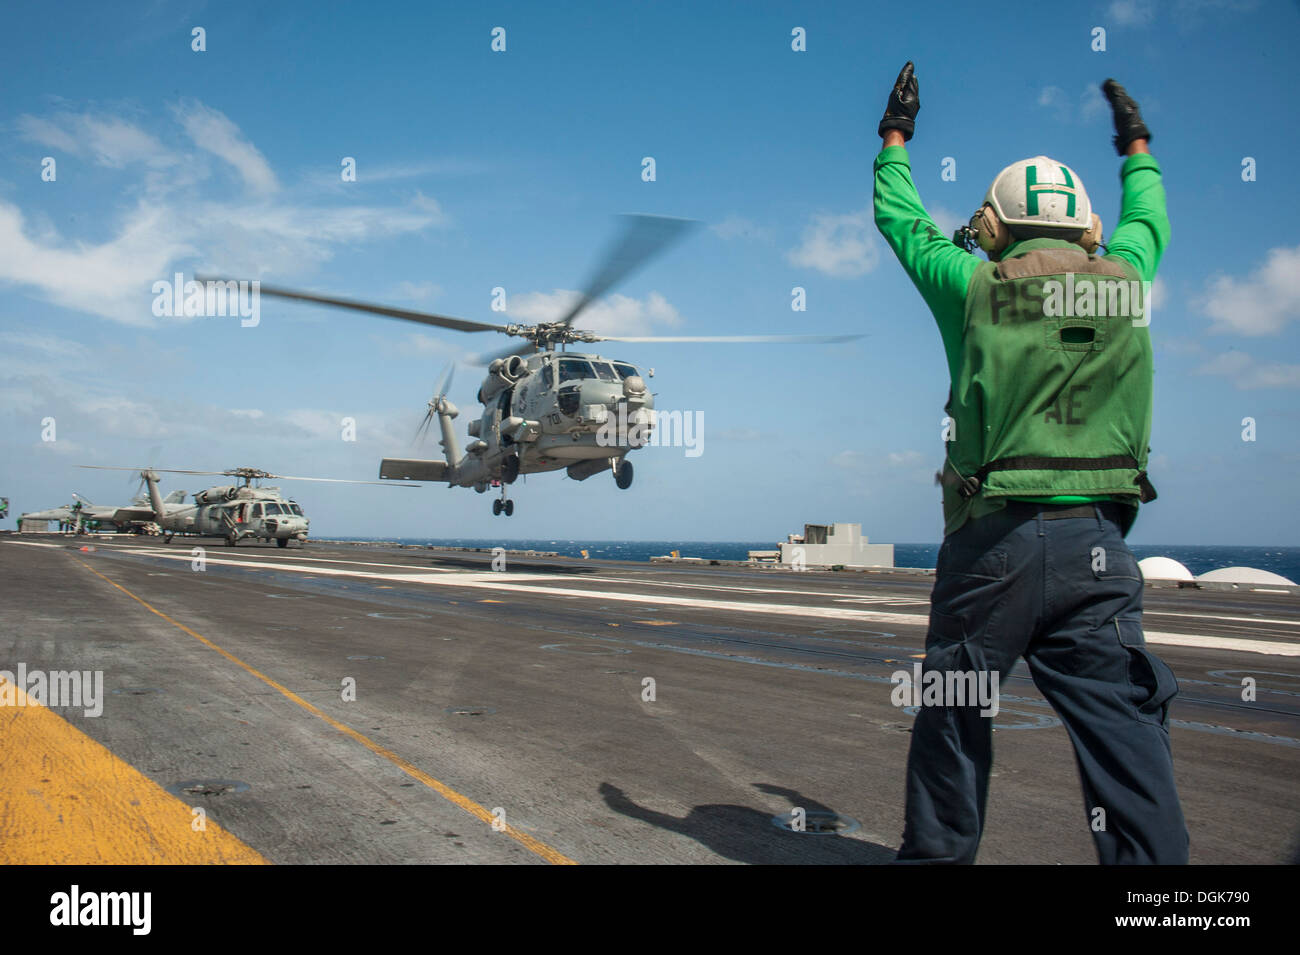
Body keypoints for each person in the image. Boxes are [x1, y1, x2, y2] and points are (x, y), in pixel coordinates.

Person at [873, 62, 1188, 864]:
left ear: (993, 225)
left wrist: (896, 135)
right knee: (1127, 739)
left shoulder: (972, 285)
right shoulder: (1127, 279)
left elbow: (901, 221)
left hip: (993, 550)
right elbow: (1148, 216)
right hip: (1099, 550)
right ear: (1086, 226)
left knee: (952, 718)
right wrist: (1135, 142)